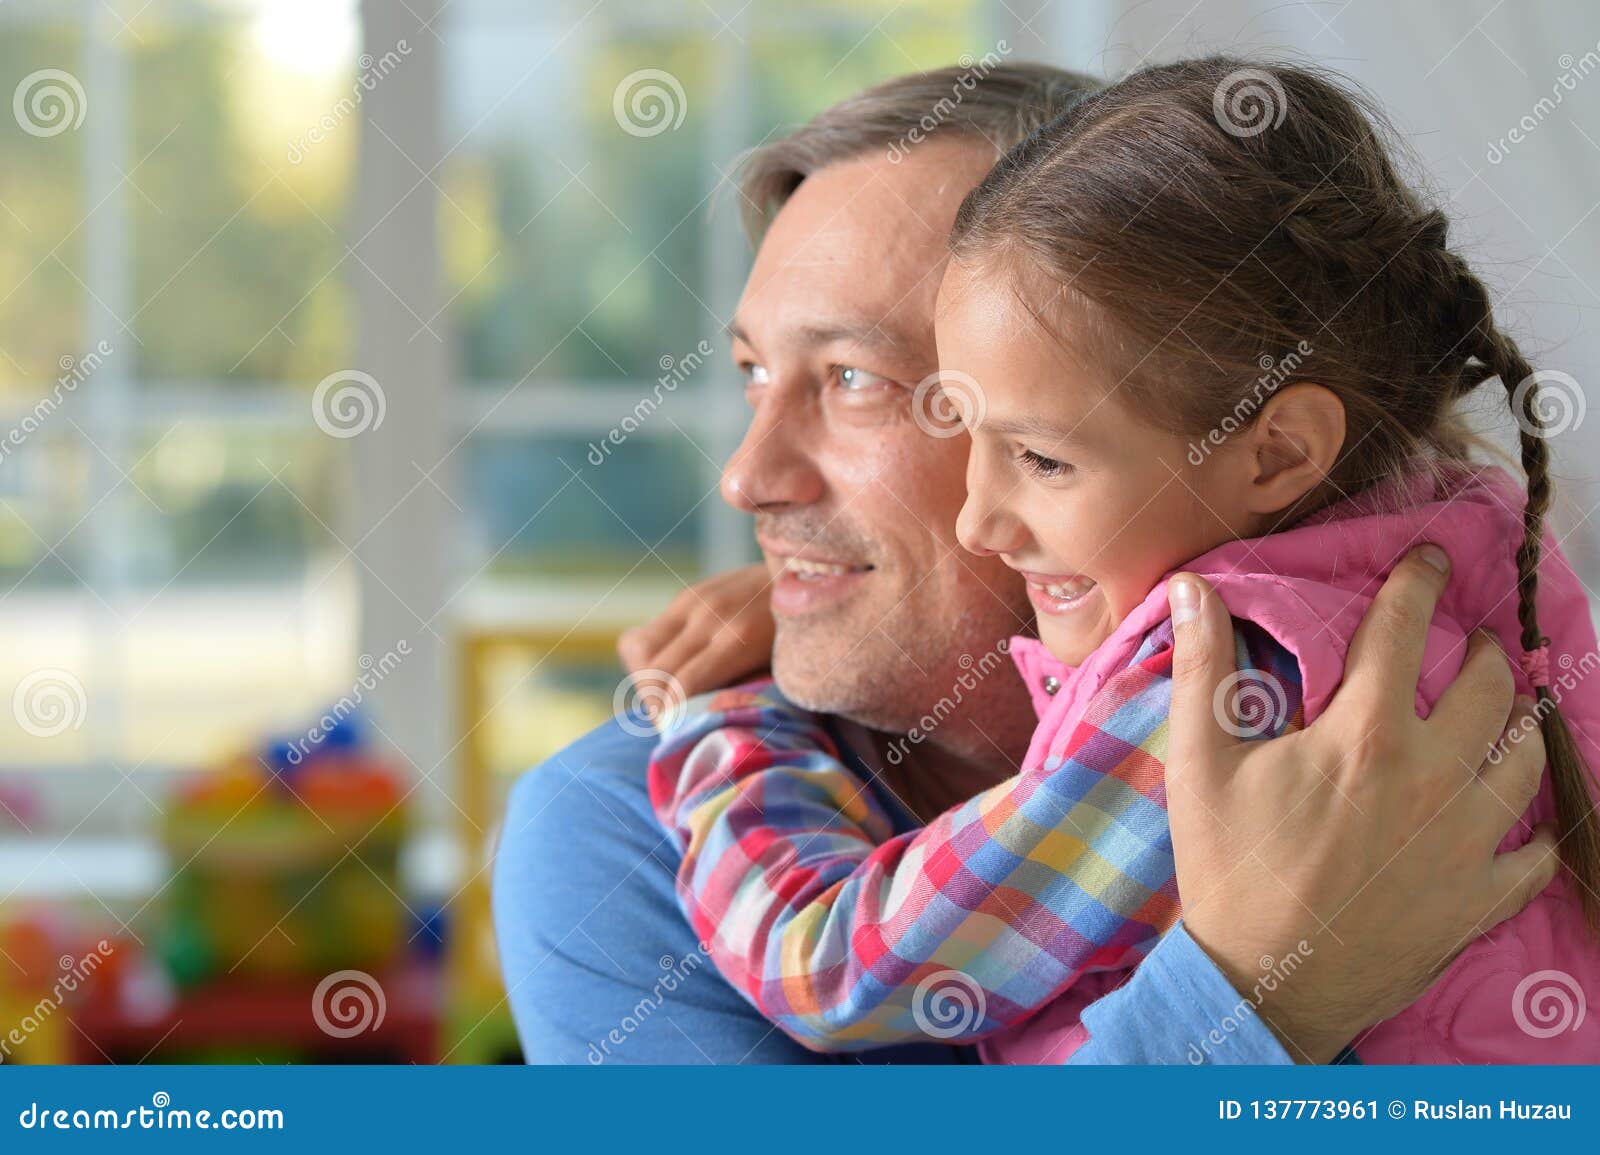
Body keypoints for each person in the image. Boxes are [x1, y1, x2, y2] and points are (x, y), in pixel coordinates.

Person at [492, 63, 1558, 1065]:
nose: (747, 477)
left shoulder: (1286, 690)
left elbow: (835, 966)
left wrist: (726, 722)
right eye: (752, 373)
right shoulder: (617, 839)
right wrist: (1258, 998)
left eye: (857, 378)